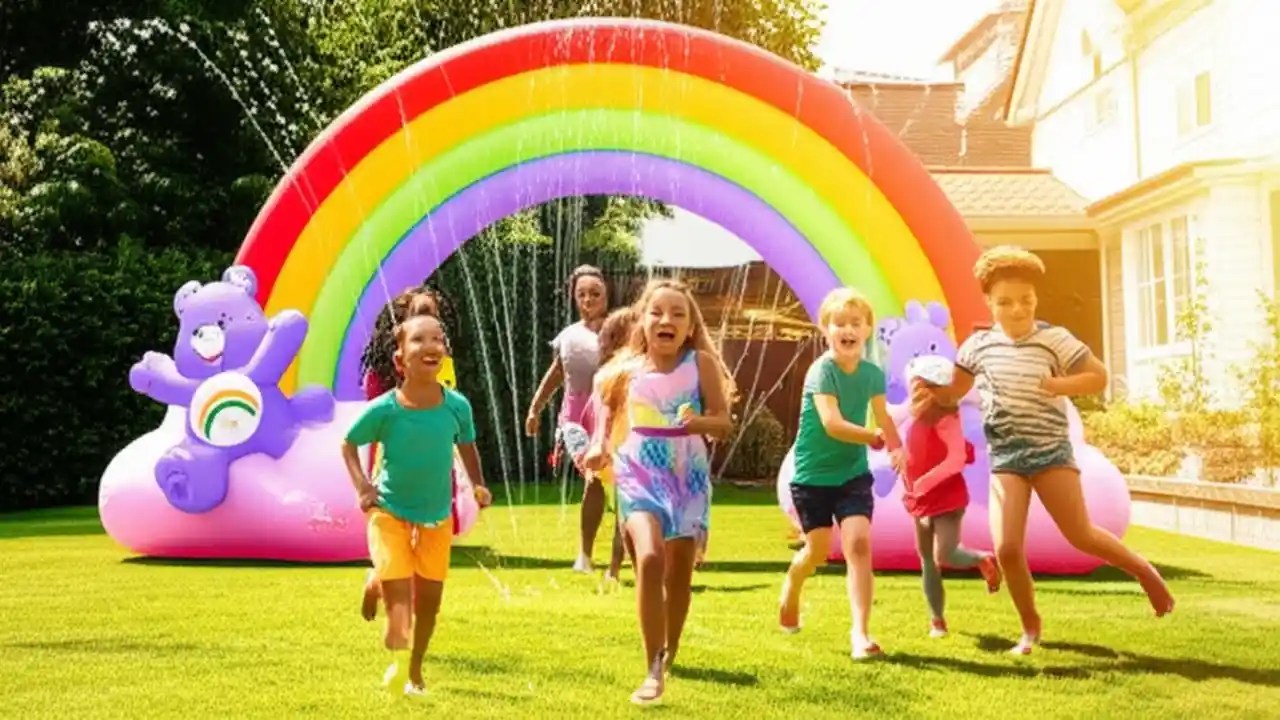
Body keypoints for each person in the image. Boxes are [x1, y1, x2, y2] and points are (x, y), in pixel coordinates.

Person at [924, 245, 1174, 655]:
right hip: (1007, 457)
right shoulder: (977, 346)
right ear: (988, 301)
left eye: (1026, 300)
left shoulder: (1053, 339)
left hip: (1051, 452)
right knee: (1006, 548)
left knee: (1081, 535)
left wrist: (1060, 385)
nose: (1017, 309)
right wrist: (931, 393)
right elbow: (955, 392)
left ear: (1036, 298)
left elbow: (1097, 376)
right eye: (1005, 302)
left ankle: (1144, 571)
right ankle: (1030, 628)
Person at [582, 279, 735, 705]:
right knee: (650, 558)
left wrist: (700, 423)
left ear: (689, 327)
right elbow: (604, 419)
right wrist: (597, 447)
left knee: (679, 572)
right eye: (657, 312)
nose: (667, 319)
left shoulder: (700, 364)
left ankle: (669, 649)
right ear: (642, 321)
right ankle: (652, 667)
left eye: (677, 313)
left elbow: (723, 422)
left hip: (687, 475)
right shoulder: (625, 371)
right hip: (638, 471)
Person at [342, 313, 492, 696]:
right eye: (419, 340)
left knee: (429, 602)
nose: (431, 346)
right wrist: (363, 487)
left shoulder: (457, 406)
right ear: (399, 359)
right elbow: (348, 444)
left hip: (436, 515)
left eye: (438, 339)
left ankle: (415, 670)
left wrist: (478, 484)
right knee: (399, 601)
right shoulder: (385, 409)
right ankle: (396, 646)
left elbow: (467, 446)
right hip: (389, 510)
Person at [778, 287, 904, 660]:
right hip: (812, 477)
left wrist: (897, 447)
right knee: (817, 551)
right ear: (826, 330)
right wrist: (873, 438)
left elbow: (883, 417)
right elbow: (832, 423)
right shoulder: (822, 371)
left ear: (867, 330)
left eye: (855, 323)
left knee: (859, 544)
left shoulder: (872, 374)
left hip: (852, 474)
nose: (847, 329)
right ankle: (793, 584)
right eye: (839, 323)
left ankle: (860, 634)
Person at [358, 288, 463, 622]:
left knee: (427, 538)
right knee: (399, 532)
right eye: (421, 315)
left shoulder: (441, 363)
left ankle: (384, 583)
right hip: (396, 464)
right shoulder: (385, 370)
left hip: (434, 464)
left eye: (433, 317)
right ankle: (382, 580)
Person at [900, 354, 1002, 639]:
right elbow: (911, 448)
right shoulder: (914, 414)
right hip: (919, 498)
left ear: (932, 387)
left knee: (945, 552)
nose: (914, 390)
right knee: (926, 559)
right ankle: (937, 620)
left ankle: (982, 559)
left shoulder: (947, 418)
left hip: (946, 497)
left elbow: (955, 460)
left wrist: (924, 483)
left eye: (919, 384)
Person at [526, 265, 610, 573]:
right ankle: (585, 555)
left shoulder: (619, 330)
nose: (588, 300)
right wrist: (535, 408)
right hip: (576, 419)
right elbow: (557, 373)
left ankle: (617, 558)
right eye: (582, 294)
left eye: (595, 294)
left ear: (606, 294)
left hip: (610, 414)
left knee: (613, 481)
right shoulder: (569, 335)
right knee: (594, 477)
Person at [586, 306, 640, 584]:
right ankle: (618, 568)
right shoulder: (633, 370)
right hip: (631, 449)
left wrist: (600, 445)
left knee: (624, 511)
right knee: (628, 512)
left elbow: (601, 416)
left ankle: (617, 569)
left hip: (617, 449)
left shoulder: (607, 373)